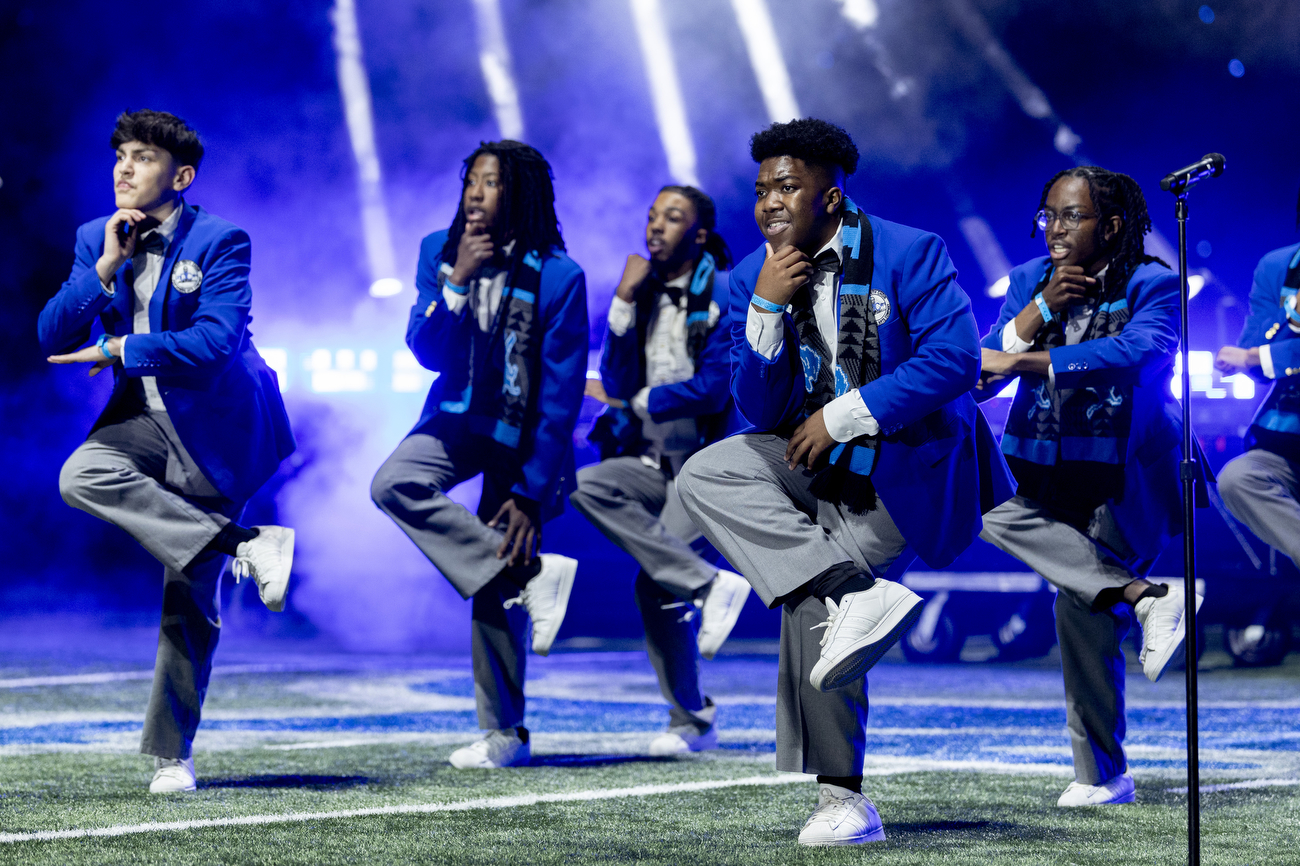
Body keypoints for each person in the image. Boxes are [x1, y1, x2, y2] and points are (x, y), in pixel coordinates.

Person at [677, 118, 1014, 846]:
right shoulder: (748, 276)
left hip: (907, 465)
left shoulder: (910, 250)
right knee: (709, 473)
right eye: (763, 187)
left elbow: (956, 360)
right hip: (809, 463)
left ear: (831, 196)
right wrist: (766, 308)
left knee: (811, 605)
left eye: (787, 186)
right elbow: (758, 410)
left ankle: (842, 798)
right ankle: (855, 595)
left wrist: (842, 416)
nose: (769, 201)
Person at [38, 110, 297, 793]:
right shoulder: (98, 235)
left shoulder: (221, 241)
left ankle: (171, 754)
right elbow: (50, 331)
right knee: (82, 473)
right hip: (146, 421)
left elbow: (214, 344)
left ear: (180, 176)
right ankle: (243, 542)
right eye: (121, 154)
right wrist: (103, 268)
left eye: (144, 157)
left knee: (188, 596)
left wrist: (122, 347)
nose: (125, 167)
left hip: (222, 423)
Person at [976, 165, 1202, 807]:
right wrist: (1039, 310)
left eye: (1071, 215)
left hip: (1125, 471)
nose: (1054, 227)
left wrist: (1028, 360)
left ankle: (1102, 775)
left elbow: (1142, 350)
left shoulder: (1153, 281)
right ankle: (1149, 597)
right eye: (1048, 213)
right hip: (1042, 467)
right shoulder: (1028, 280)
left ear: (1112, 225)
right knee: (984, 504)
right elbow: (986, 368)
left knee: (1081, 607)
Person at [370, 141, 587, 770]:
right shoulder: (437, 249)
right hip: (457, 418)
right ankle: (524, 577)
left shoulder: (559, 276)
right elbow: (425, 349)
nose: (474, 192)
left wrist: (531, 491)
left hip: (522, 437)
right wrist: (458, 279)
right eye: (470, 179)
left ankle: (505, 735)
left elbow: (561, 394)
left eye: (490, 183)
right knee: (393, 483)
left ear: (517, 193)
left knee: (503, 556)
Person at [571, 185, 750, 756]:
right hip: (653, 462)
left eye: (672, 218)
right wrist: (623, 304)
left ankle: (691, 720)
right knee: (582, 485)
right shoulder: (642, 295)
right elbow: (618, 384)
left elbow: (718, 385)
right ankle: (708, 592)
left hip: (708, 464)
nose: (655, 227)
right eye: (651, 216)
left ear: (698, 235)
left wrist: (645, 401)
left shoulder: (725, 290)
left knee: (653, 582)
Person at [1214, 190, 1300, 568]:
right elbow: (1249, 356)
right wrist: (1289, 319)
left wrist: (1258, 356)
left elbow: (1252, 356)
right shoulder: (1278, 266)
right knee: (1237, 478)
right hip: (1284, 441)